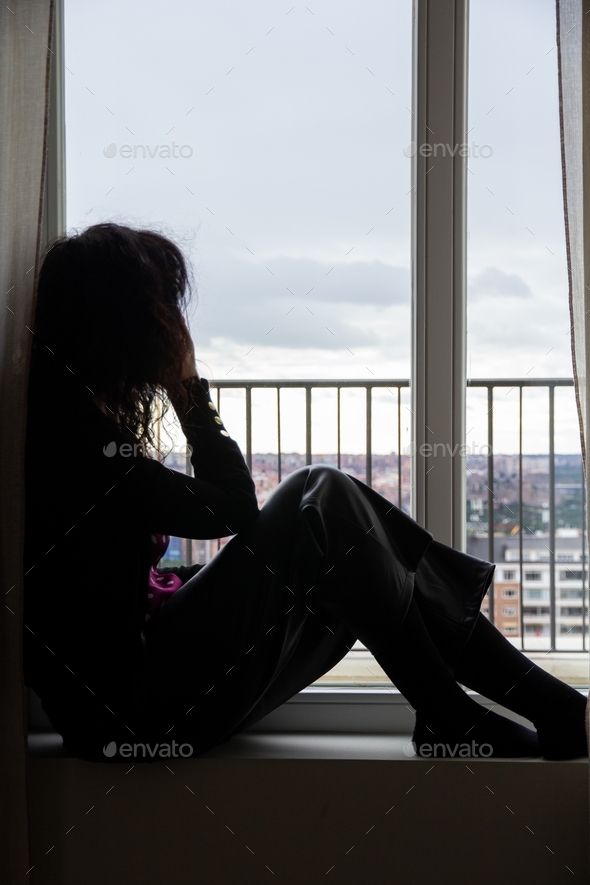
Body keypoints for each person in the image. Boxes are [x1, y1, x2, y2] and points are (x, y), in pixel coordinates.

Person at [24, 223, 587, 762]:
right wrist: (189, 392)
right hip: (134, 714)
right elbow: (233, 509)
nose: (174, 331)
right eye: (162, 313)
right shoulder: (75, 445)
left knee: (347, 541)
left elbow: (120, 586)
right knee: (319, 495)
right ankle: (485, 709)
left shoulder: (73, 428)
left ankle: (509, 709)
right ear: (119, 328)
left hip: (145, 693)